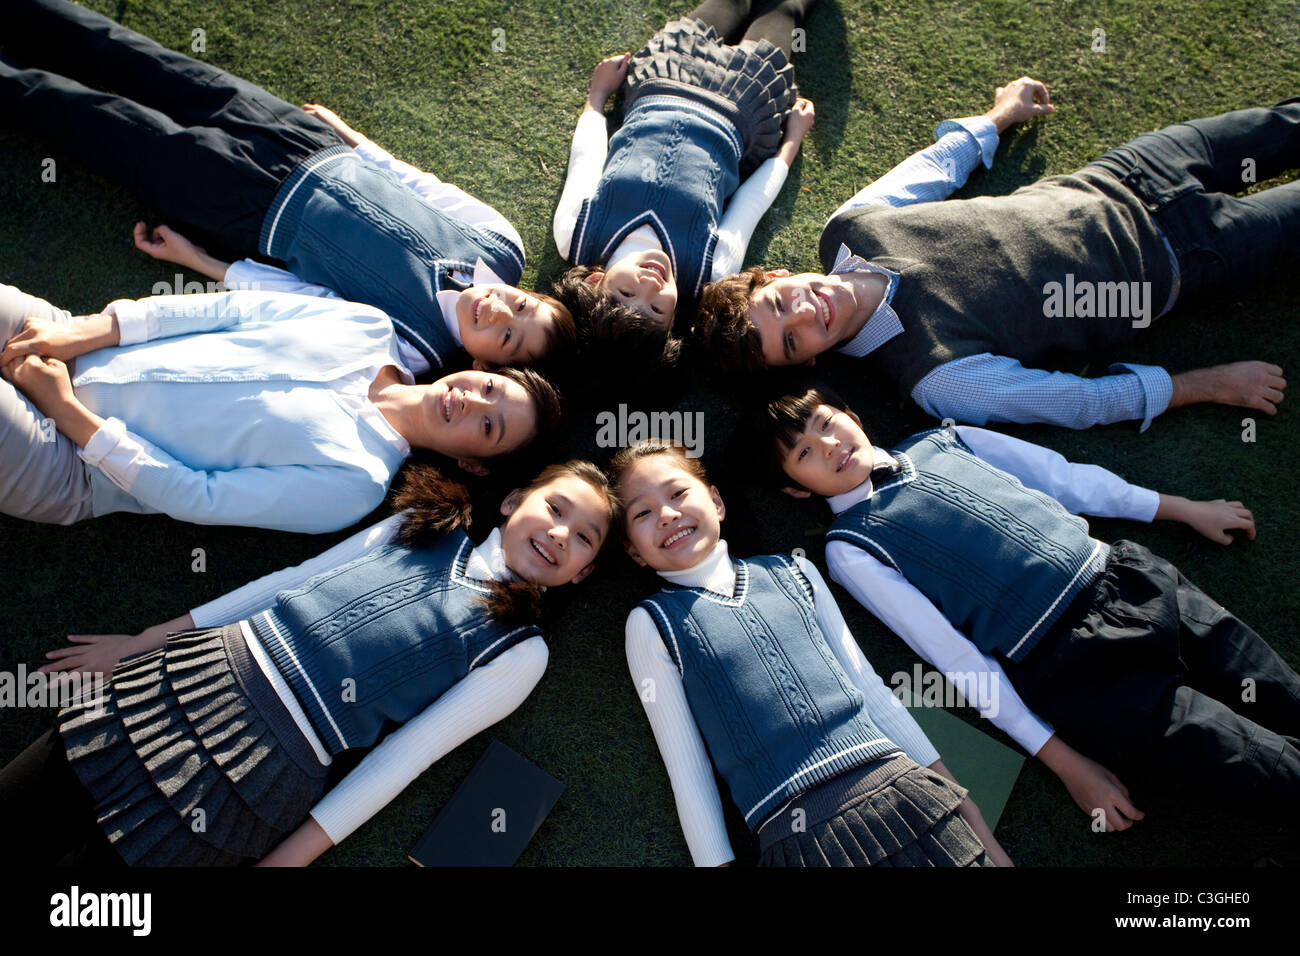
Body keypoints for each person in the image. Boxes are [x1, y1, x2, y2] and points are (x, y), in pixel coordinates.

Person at [0, 459, 618, 866]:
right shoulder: (419, 525)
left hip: (259, 776)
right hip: (182, 680)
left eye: (584, 538)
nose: (562, 533)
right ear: (514, 500)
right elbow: (287, 582)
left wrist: (286, 862)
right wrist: (140, 642)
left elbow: (408, 756)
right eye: (556, 507)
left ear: (582, 572)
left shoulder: (519, 649)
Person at [760, 384, 1300, 826]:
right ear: (796, 490)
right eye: (804, 452)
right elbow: (956, 658)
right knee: (1266, 766)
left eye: (826, 422)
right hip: (1080, 670)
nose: (828, 444)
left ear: (850, 412)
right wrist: (1066, 764)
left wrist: (1180, 509)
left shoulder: (944, 441)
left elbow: (1062, 478)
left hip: (1134, 582)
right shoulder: (851, 546)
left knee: (1281, 691)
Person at [0, 0, 575, 375]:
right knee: (143, 61)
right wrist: (353, 139)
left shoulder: (414, 349)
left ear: (487, 365)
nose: (498, 311)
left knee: (93, 121)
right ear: (530, 291)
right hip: (300, 141)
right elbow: (422, 185)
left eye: (506, 338)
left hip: (247, 208)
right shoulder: (502, 245)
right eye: (520, 306)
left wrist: (198, 259)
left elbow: (302, 302)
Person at [697, 78, 1296, 432]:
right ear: (806, 365)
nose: (806, 313)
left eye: (779, 302)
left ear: (776, 274)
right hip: (1182, 258)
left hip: (1122, 173)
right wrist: (1208, 384)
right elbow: (1079, 401)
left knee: (1286, 121)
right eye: (792, 340)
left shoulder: (846, 230)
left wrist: (1000, 115)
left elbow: (932, 171)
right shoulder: (934, 374)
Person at [610, 439, 1011, 866]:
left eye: (678, 494)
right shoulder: (652, 623)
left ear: (717, 501)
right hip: (798, 841)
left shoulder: (795, 571)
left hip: (904, 794)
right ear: (634, 551)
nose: (667, 515)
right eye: (642, 513)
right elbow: (689, 772)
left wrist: (969, 812)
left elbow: (872, 693)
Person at [0, 282, 561, 533]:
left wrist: (64, 407)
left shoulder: (354, 485)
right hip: (81, 339)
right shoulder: (368, 326)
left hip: (68, 462)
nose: (468, 402)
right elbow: (227, 311)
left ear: (473, 464)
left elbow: (198, 495)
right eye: (488, 390)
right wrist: (78, 333)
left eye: (487, 427)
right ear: (480, 372)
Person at [551, 1, 818, 369]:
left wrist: (596, 97)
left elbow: (586, 159)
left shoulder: (577, 235)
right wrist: (791, 141)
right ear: (675, 317)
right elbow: (752, 203)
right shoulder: (709, 269)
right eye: (657, 308)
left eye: (626, 292)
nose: (650, 285)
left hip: (665, 76)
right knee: (786, 10)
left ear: (597, 281)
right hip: (742, 105)